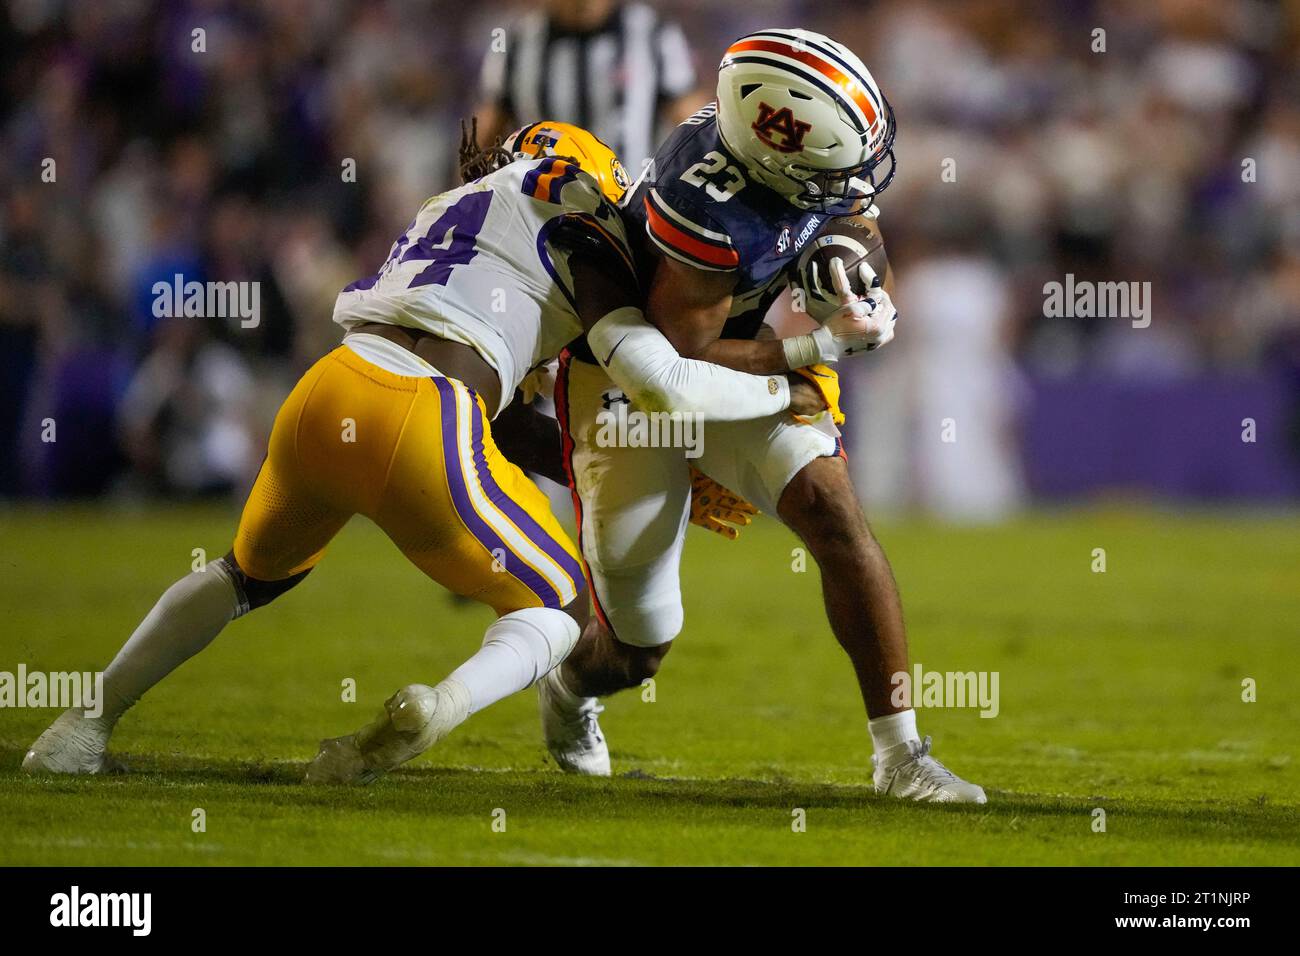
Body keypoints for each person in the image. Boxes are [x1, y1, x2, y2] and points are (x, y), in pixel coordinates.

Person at [24, 120, 829, 783]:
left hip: (325, 392)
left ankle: (79, 729)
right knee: (561, 605)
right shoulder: (587, 225)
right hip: (423, 412)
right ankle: (430, 710)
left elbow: (512, 422)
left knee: (241, 576)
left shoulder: (451, 204)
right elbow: (653, 375)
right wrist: (790, 366)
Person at [540, 28, 987, 802]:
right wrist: (819, 348)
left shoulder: (790, 149)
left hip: (730, 353)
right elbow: (680, 363)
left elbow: (857, 215)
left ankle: (902, 755)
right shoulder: (707, 207)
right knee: (638, 647)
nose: (857, 173)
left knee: (832, 509)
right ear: (775, 154)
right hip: (632, 385)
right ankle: (570, 687)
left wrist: (850, 268)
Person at [474, 0, 699, 174]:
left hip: (630, 210)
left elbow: (694, 128)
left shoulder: (653, 33)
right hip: (537, 211)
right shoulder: (517, 41)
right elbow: (486, 133)